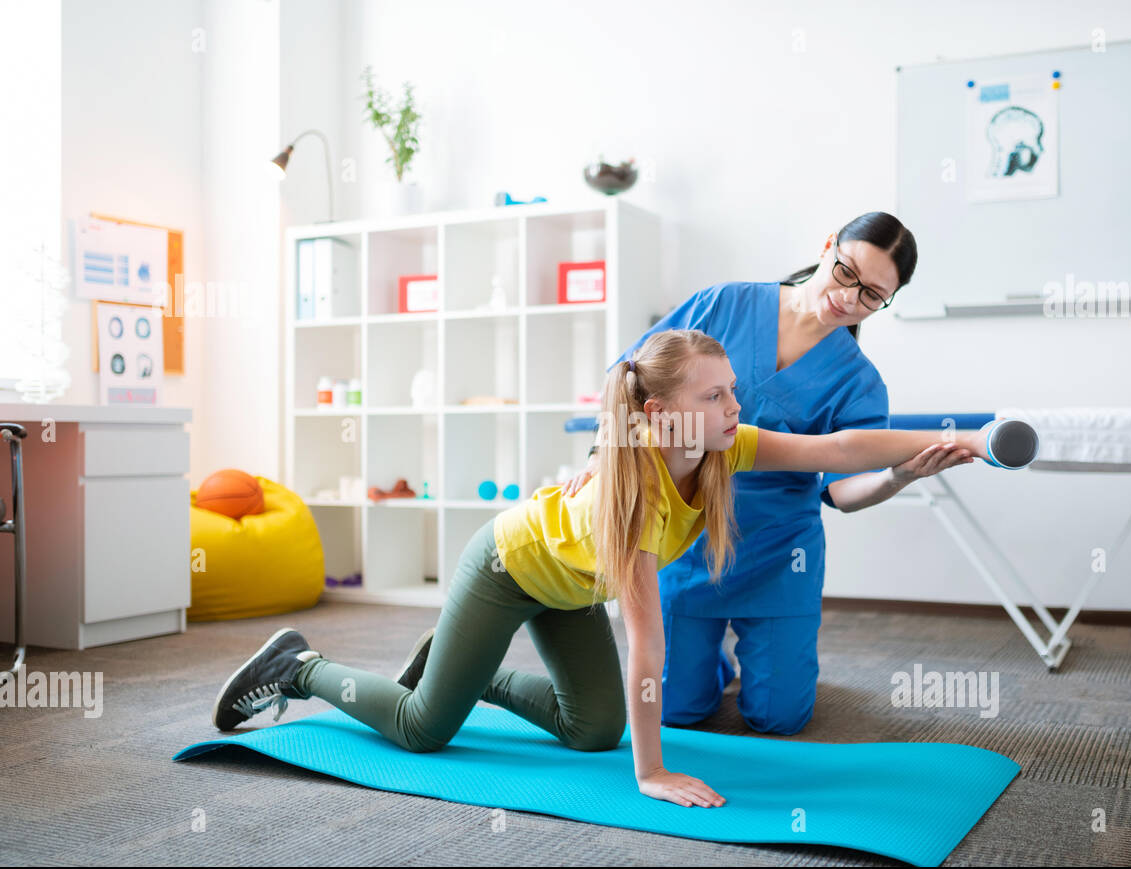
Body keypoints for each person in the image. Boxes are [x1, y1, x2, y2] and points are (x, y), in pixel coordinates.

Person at [211, 328, 1006, 809]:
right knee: (424, 732)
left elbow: (838, 450)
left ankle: (466, 671)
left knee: (593, 731)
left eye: (733, 392)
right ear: (660, 415)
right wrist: (653, 772)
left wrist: (955, 444)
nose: (736, 407)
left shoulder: (725, 447)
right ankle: (302, 666)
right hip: (508, 569)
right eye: (718, 395)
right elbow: (649, 652)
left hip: (568, 590)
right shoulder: (632, 508)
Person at [561, 212, 963, 736]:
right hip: (687, 537)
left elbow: (841, 490)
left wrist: (897, 477)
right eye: (846, 273)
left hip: (777, 551)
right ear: (827, 247)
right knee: (679, 710)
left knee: (779, 718)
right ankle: (710, 659)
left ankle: (751, 652)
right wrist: (600, 455)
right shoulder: (725, 303)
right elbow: (630, 373)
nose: (849, 297)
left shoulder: (858, 380)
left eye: (870, 295)